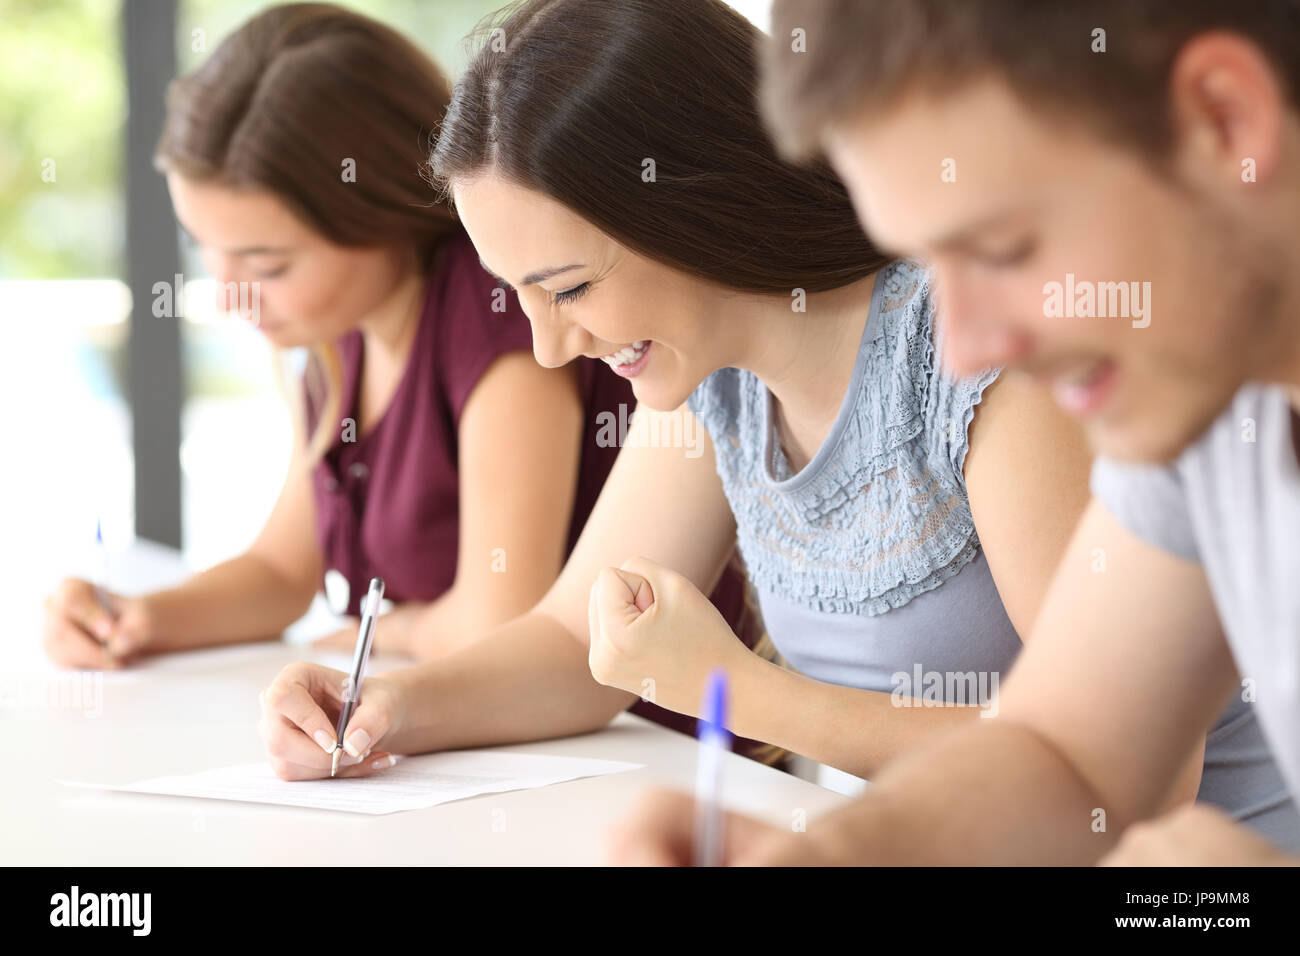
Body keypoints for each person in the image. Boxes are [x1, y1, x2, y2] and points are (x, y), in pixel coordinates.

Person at [259, 0, 1187, 805]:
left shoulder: (976, 357)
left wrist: (738, 691)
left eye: (570, 288)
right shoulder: (707, 376)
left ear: (692, 207)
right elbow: (573, 646)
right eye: (520, 295)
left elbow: (1115, 762)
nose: (548, 346)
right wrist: (380, 708)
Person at [610, 0, 1300, 863]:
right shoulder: (1204, 395)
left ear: (1225, 120)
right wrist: (829, 857)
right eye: (927, 263)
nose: (964, 348)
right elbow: (1069, 753)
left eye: (1004, 248)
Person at [39, 1, 764, 768]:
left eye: (268, 264)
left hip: (629, 750)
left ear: (377, 207)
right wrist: (135, 619)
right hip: (496, 739)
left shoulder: (496, 316)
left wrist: (382, 632)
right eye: (208, 253)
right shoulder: (336, 340)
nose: (232, 297)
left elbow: (501, 614)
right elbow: (285, 569)